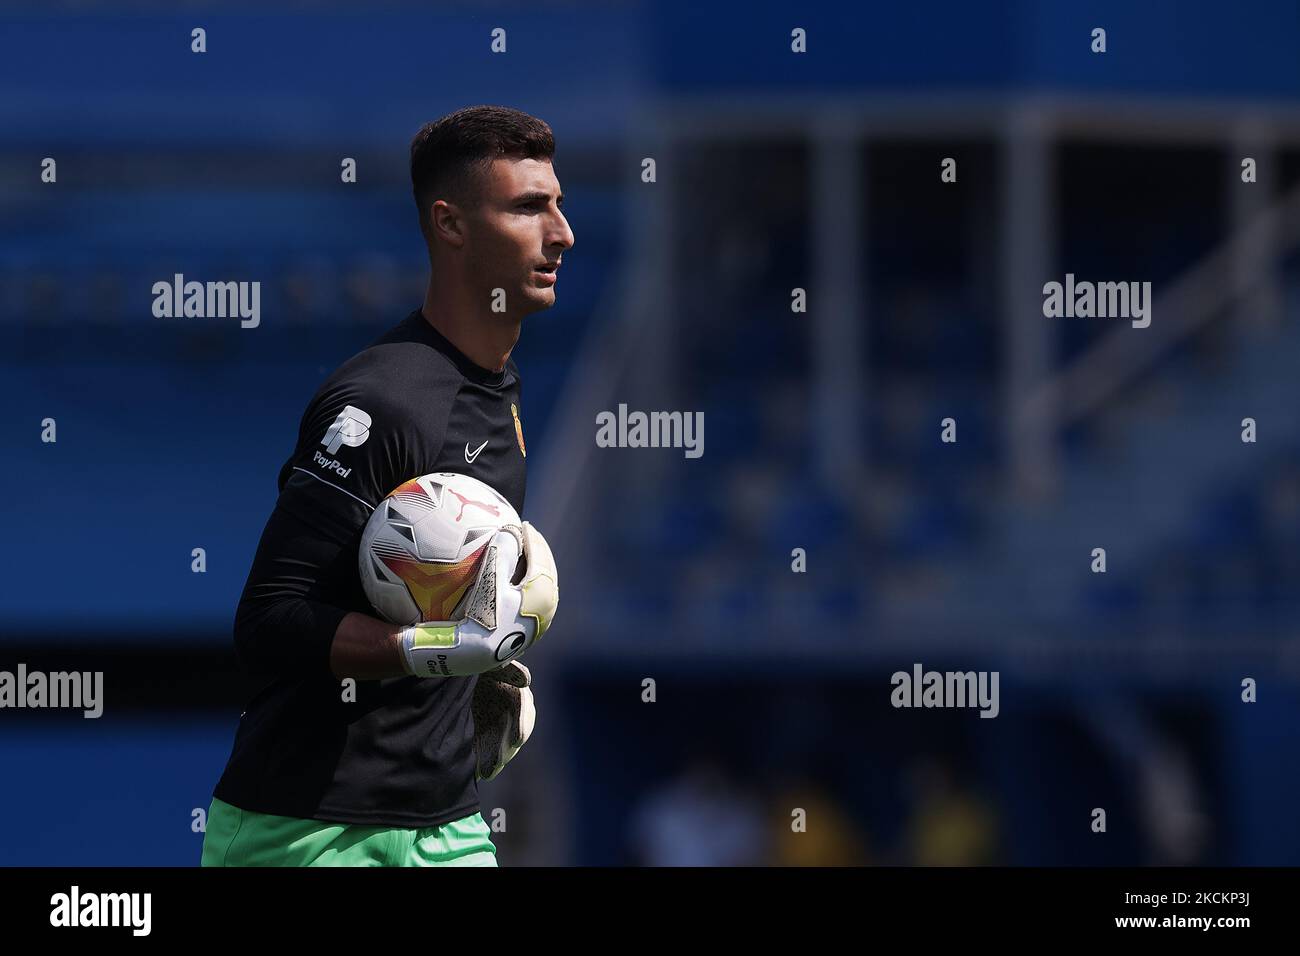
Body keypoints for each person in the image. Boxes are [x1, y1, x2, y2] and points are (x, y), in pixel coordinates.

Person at [201, 105, 574, 867]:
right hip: (308, 832)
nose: (562, 233)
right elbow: (270, 619)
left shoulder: (497, 392)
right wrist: (441, 649)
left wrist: (479, 673)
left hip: (447, 826)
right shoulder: (384, 400)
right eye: (529, 207)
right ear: (451, 224)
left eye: (558, 204)